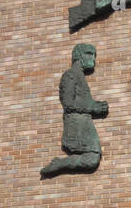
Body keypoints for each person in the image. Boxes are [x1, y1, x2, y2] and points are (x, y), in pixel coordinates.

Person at [40, 43, 109, 177]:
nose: (93, 59)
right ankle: (60, 163)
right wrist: (93, 107)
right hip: (77, 124)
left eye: (94, 56)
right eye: (89, 54)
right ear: (78, 56)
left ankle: (61, 163)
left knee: (93, 158)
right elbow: (68, 103)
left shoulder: (79, 76)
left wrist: (96, 105)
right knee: (92, 158)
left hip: (84, 122)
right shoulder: (70, 75)